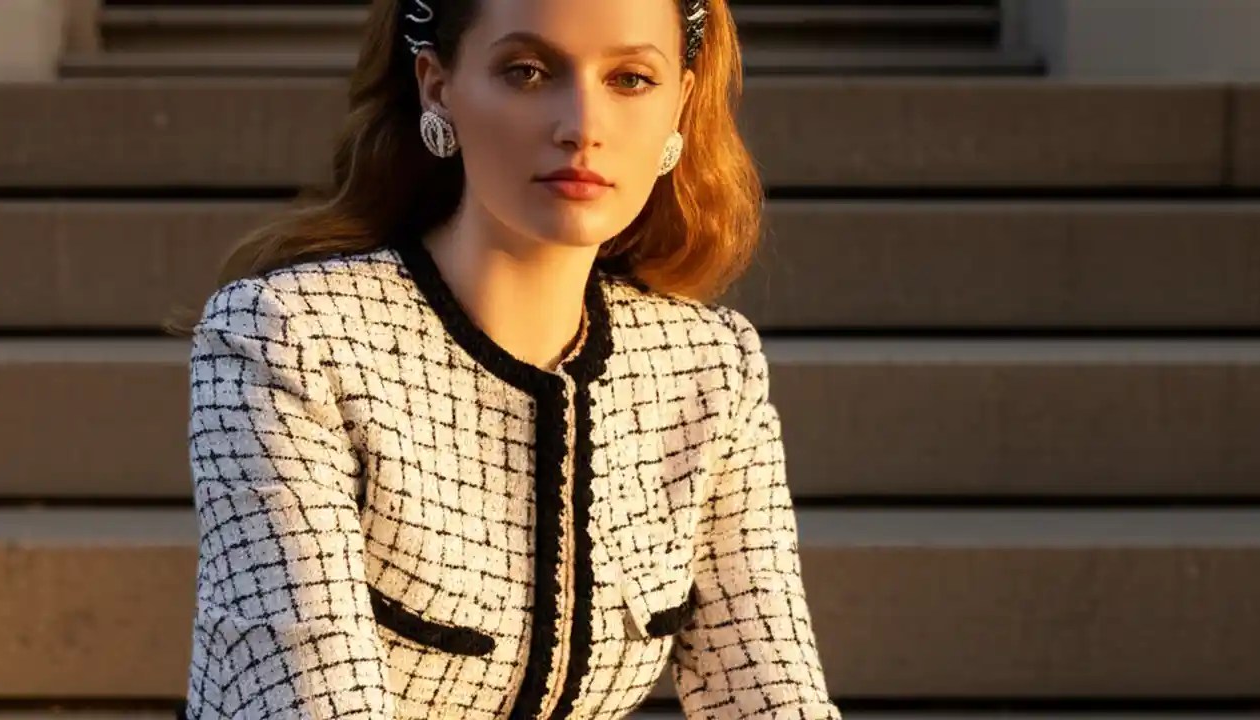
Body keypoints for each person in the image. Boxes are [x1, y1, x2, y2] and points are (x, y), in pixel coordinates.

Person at [171, 0, 841, 717]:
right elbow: (309, 700)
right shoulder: (289, 336)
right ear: (438, 88)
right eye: (527, 71)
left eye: (631, 79)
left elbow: (771, 688)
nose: (582, 127)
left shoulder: (709, 365)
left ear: (680, 100)